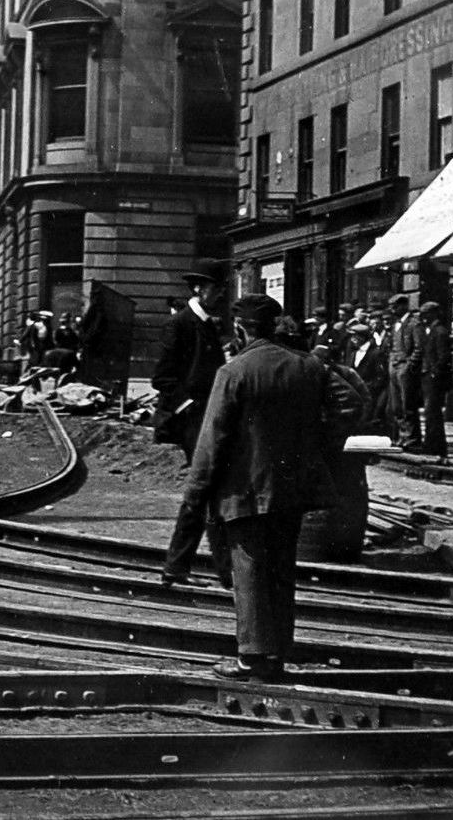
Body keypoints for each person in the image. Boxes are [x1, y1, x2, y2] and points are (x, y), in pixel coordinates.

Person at [182, 293, 333, 681]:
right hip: (292, 489)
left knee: (248, 572)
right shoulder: (308, 367)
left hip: (243, 490)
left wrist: (196, 492)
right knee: (282, 570)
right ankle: (278, 653)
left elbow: (211, 441)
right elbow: (347, 405)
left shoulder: (233, 372)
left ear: (239, 328)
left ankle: (251, 658)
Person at [154, 258, 229, 587]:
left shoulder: (207, 323)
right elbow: (162, 379)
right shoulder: (182, 324)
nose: (220, 296)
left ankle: (214, 569)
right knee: (204, 493)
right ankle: (182, 566)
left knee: (210, 493)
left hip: (208, 419)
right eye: (217, 289)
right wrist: (190, 409)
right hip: (195, 421)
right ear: (200, 289)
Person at [416, 301, 452, 457]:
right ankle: (432, 444)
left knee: (433, 412)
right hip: (427, 376)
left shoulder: (440, 331)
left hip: (433, 378)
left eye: (426, 314)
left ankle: (435, 446)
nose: (423, 317)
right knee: (430, 412)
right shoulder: (429, 330)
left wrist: (434, 372)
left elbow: (444, 356)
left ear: (434, 314)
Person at [386, 293, 421, 450]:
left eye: (395, 306)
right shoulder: (396, 324)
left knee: (408, 404)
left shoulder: (414, 323)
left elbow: (419, 347)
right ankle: (402, 436)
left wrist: (410, 364)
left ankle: (412, 438)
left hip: (405, 367)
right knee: (397, 406)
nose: (392, 309)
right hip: (394, 366)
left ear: (404, 306)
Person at [344, 323, 387, 433]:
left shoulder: (376, 353)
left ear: (361, 337)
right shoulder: (353, 353)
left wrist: (367, 388)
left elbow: (380, 377)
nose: (352, 340)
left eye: (354, 337)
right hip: (355, 394)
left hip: (370, 394)